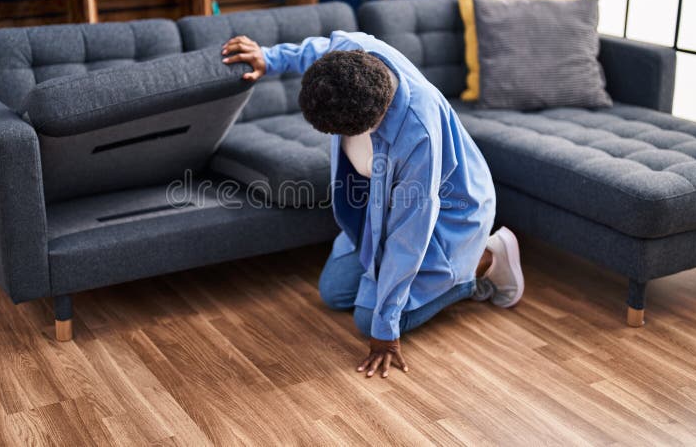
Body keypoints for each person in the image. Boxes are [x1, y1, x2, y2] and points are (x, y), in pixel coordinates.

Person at [222, 31, 524, 379]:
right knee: (335, 293)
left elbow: (408, 236)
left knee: (370, 320)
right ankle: (440, 274)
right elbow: (319, 48)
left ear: (373, 120)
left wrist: (386, 332)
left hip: (447, 217)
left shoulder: (417, 133)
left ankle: (484, 260)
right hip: (380, 207)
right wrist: (270, 57)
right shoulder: (353, 53)